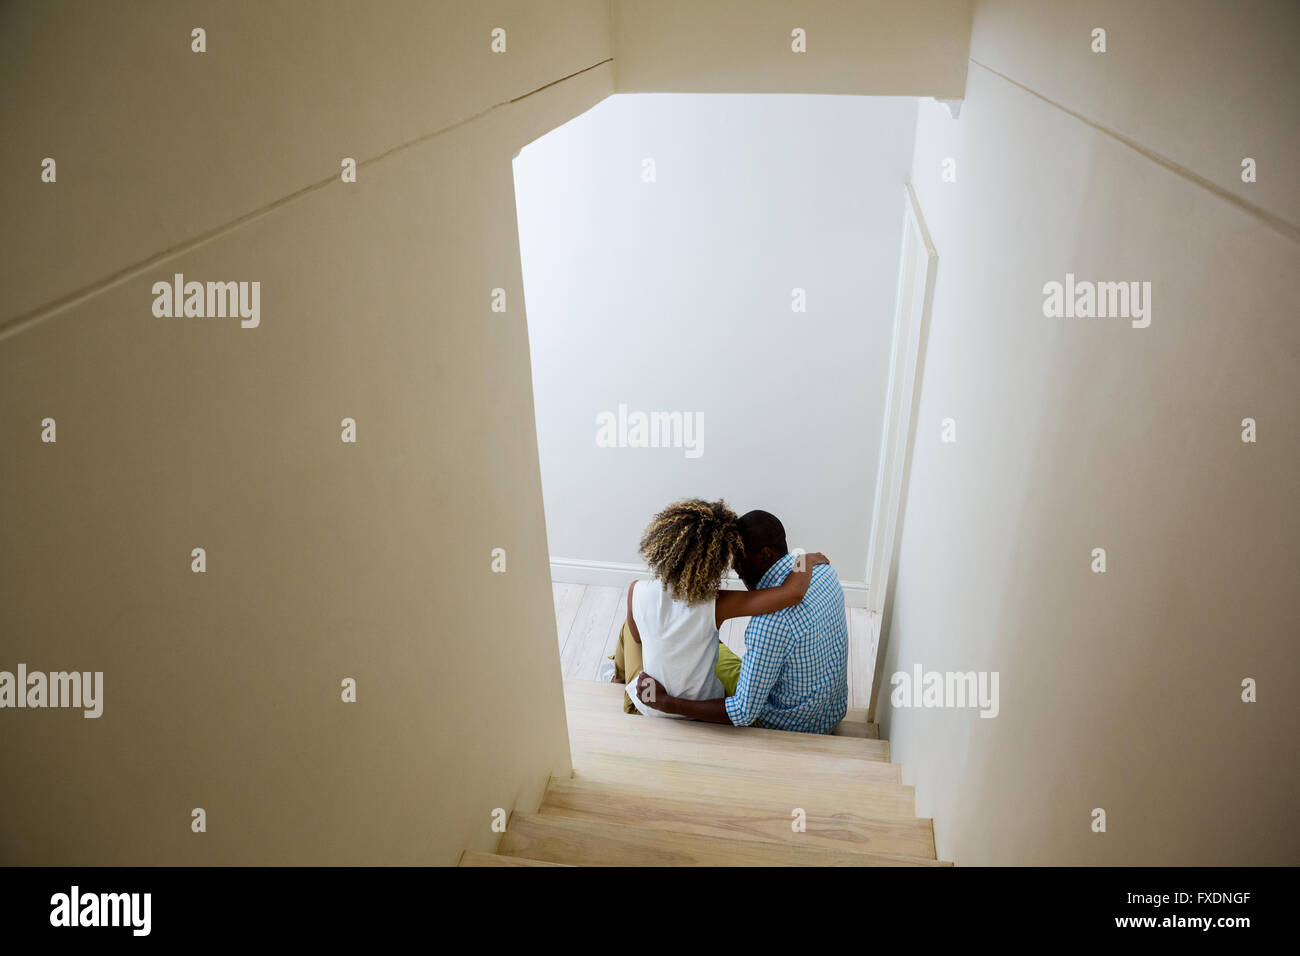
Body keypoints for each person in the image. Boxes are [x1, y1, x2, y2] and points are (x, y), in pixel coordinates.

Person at [635, 509, 848, 734]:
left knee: (703, 652)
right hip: (829, 713)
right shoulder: (822, 570)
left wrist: (665, 703)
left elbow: (743, 712)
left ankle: (621, 682)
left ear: (765, 555)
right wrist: (804, 558)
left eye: (739, 560)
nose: (736, 569)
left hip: (788, 728)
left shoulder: (768, 626)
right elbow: (793, 592)